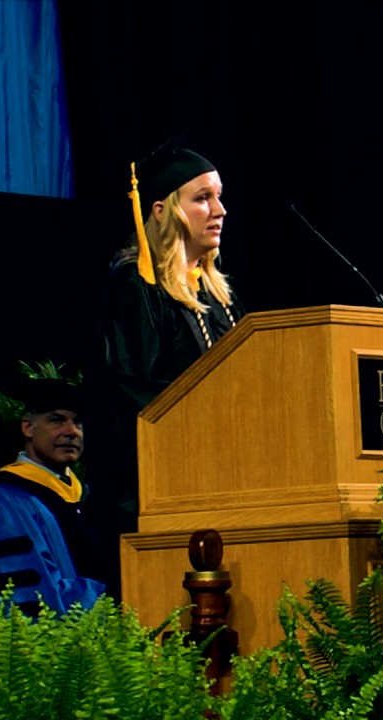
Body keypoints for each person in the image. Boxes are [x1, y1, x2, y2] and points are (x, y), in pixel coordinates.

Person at [99, 144, 246, 540]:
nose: (220, 210)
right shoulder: (137, 286)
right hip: (165, 490)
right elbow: (133, 390)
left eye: (219, 197)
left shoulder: (218, 294)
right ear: (161, 210)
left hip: (229, 476)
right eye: (202, 198)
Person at [0, 379, 104, 616]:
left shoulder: (84, 499)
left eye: (77, 422)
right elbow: (28, 596)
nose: (71, 431)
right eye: (57, 420)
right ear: (28, 428)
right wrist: (108, 599)